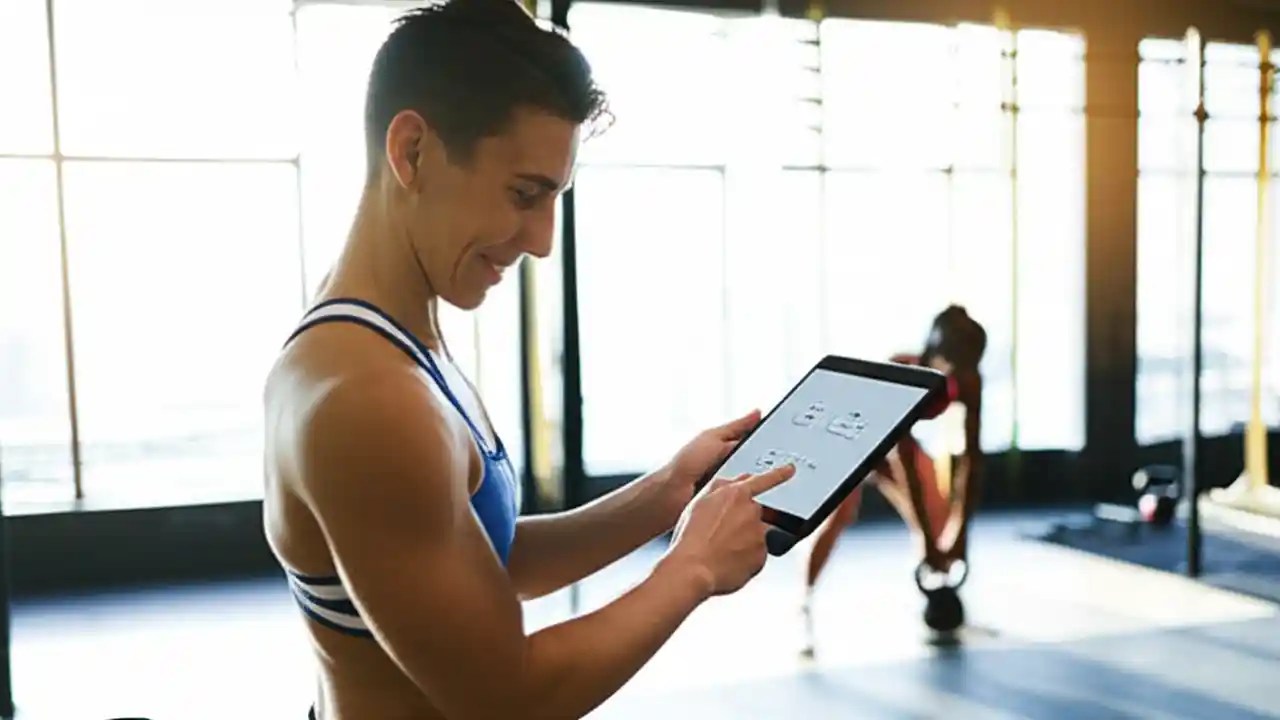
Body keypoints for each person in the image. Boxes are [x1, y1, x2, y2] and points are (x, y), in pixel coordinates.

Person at [261, 2, 795, 718]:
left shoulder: (394, 339)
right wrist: (690, 568)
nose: (543, 240)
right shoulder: (368, 397)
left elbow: (482, 561)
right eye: (524, 194)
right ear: (412, 152)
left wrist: (667, 492)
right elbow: (504, 698)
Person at [800, 305, 986, 653]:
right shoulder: (903, 372)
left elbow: (971, 462)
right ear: (937, 354)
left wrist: (959, 534)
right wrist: (929, 541)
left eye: (969, 366)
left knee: (940, 516)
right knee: (840, 515)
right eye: (957, 364)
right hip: (853, 439)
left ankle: (934, 580)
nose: (963, 373)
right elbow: (903, 466)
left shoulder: (969, 380)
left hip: (898, 447)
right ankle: (804, 604)